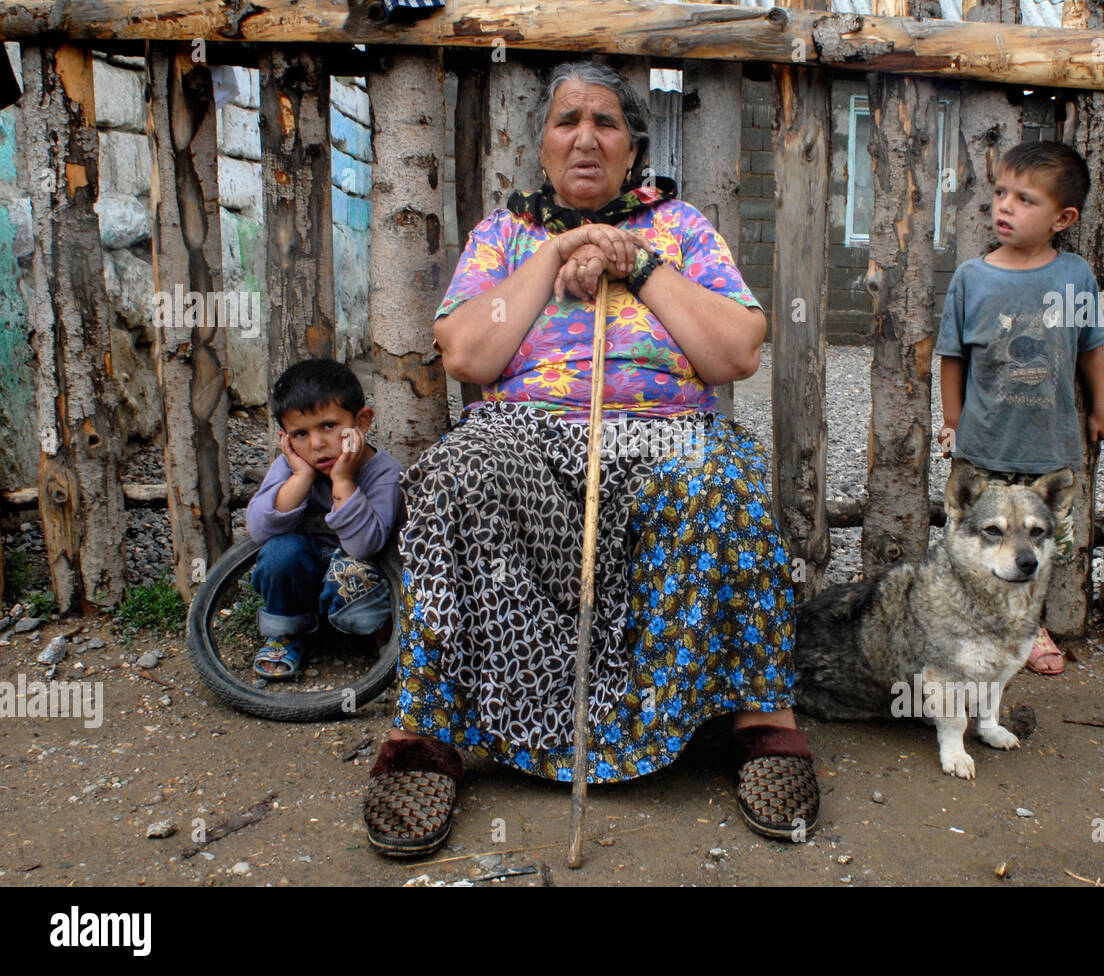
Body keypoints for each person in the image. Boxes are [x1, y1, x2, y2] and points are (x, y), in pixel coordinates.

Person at [361, 60, 820, 859]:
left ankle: (761, 722)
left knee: (723, 481)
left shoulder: (678, 229)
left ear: (633, 147)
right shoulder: (507, 235)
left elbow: (738, 351)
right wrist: (560, 250)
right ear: (540, 145)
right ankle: (426, 731)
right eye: (567, 120)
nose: (585, 136)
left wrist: (632, 263)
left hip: (665, 434)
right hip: (527, 436)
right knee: (455, 470)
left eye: (605, 122)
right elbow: (467, 353)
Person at [937, 141, 1104, 674]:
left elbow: (1091, 345)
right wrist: (951, 419)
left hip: (1049, 445)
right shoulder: (972, 277)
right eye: (1000, 193)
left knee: (1036, 542)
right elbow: (952, 355)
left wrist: (1101, 406)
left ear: (1064, 217)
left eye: (1025, 199)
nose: (1005, 206)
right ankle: (970, 629)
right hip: (986, 440)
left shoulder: (1075, 275)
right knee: (981, 538)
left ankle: (1029, 630)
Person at [245, 359, 405, 679]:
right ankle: (289, 630)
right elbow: (260, 530)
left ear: (361, 421)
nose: (316, 444)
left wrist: (343, 481)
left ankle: (373, 635)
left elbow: (363, 545)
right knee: (280, 553)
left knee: (353, 567)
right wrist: (301, 477)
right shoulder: (293, 466)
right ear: (286, 439)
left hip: (357, 586)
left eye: (328, 426)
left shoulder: (384, 473)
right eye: (300, 433)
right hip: (305, 584)